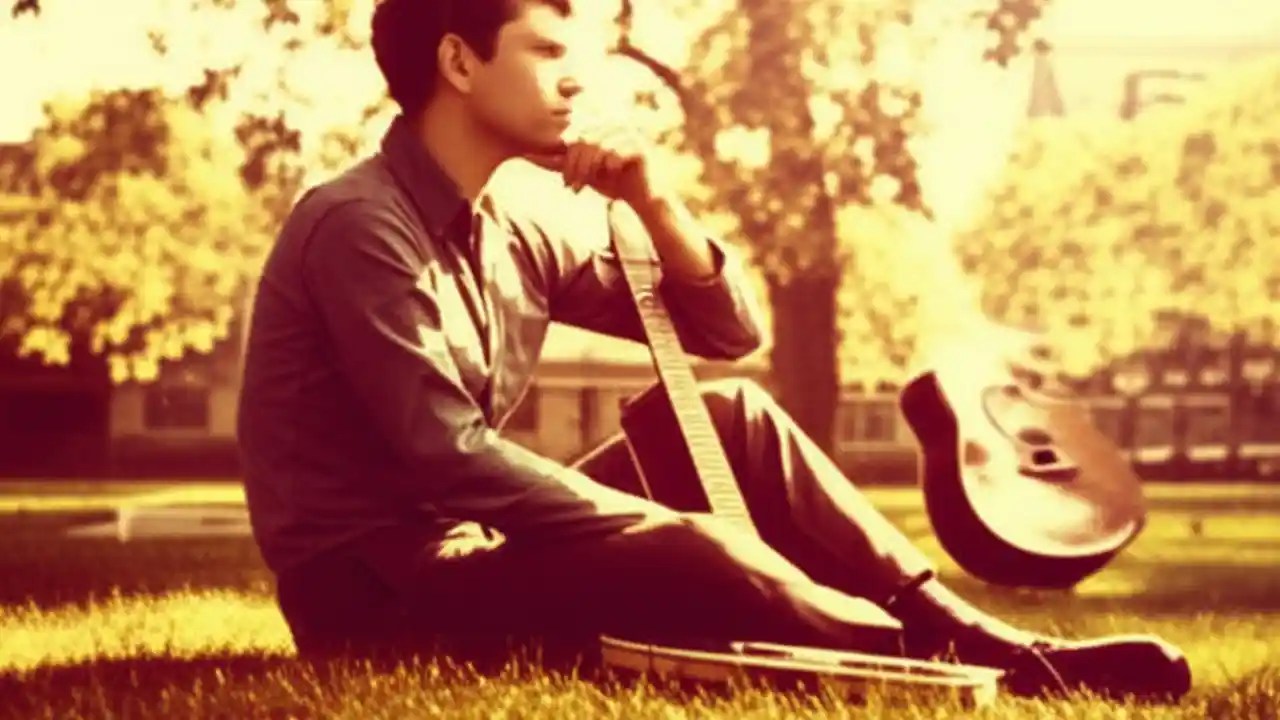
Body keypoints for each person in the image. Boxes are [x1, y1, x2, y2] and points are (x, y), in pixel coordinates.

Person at [235, 0, 1190, 701]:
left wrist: (656, 201)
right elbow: (444, 453)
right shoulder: (358, 225)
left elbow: (727, 335)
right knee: (692, 547)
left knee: (731, 417)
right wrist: (663, 532)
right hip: (379, 597)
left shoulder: (511, 229)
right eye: (547, 50)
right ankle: (933, 665)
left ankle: (984, 642)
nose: (576, 79)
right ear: (458, 60)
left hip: (473, 554)